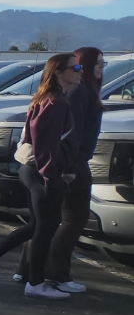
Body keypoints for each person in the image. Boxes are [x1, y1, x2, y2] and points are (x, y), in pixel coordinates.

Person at [0, 53, 83, 298]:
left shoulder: (51, 98)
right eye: (75, 67)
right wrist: (51, 176)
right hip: (41, 172)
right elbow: (44, 143)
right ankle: (35, 283)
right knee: (47, 226)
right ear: (58, 72)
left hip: (35, 170)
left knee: (38, 225)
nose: (80, 71)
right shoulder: (55, 102)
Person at [46, 46, 106, 292]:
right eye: (98, 63)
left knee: (53, 221)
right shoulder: (80, 92)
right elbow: (73, 132)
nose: (102, 68)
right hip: (73, 164)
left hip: (74, 161)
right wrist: (69, 166)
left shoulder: (84, 91)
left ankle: (29, 270)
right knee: (73, 220)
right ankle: (55, 275)